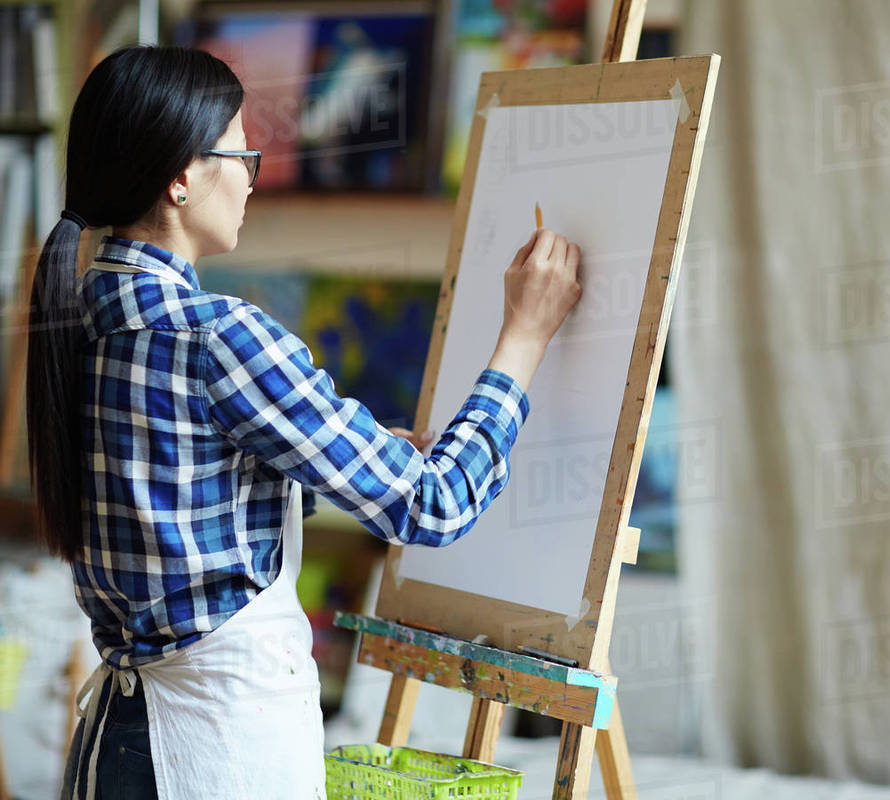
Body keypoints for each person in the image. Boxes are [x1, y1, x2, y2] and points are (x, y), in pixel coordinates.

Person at [29, 45, 582, 800]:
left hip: (117, 748)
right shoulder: (218, 336)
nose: (252, 174)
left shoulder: (78, 319)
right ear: (182, 179)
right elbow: (433, 503)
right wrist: (525, 335)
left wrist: (358, 455)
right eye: (240, 150)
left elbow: (185, 499)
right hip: (213, 751)